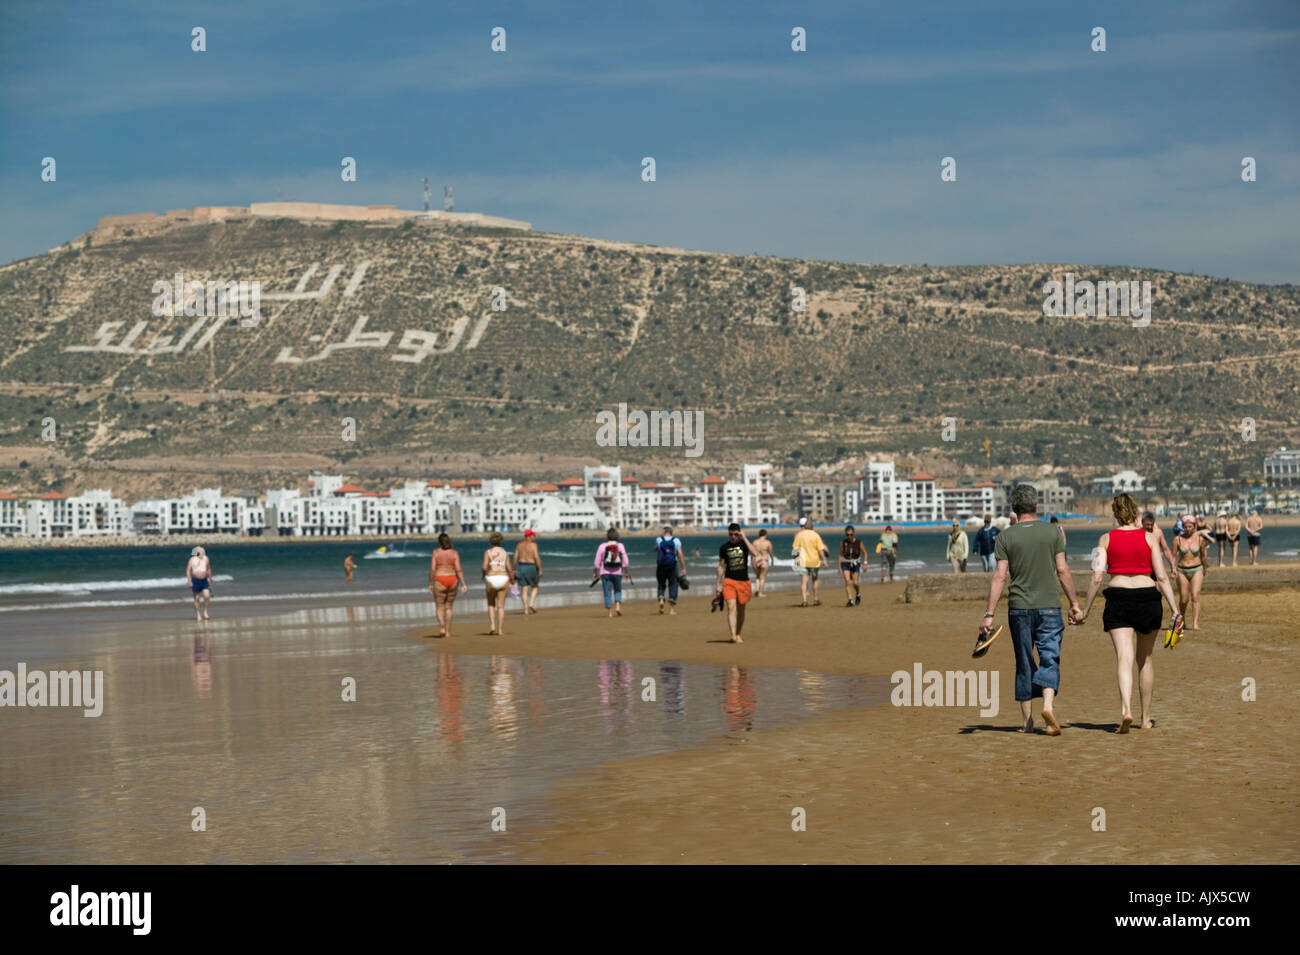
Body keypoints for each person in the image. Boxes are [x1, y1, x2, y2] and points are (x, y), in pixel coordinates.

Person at [979, 484, 1081, 736]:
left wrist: (989, 614)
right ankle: (1048, 706)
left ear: (1014, 509)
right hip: (1049, 607)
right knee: (1050, 656)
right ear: (1036, 506)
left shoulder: (1005, 537)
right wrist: (1074, 604)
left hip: (1019, 609)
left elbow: (999, 577)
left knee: (1024, 662)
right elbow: (1063, 570)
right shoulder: (1053, 532)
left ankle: (1027, 722)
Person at [1079, 494, 1182, 733]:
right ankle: (1145, 719)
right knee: (1144, 660)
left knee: (1124, 658)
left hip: (1119, 598)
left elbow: (1097, 577)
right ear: (1135, 513)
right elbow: (1163, 576)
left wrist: (1085, 610)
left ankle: (1126, 709)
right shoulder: (1149, 538)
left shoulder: (1105, 538)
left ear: (1115, 513)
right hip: (1147, 598)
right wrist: (1175, 611)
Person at [715, 523, 754, 643]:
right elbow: (721, 566)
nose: (733, 537)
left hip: (743, 581)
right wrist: (718, 584)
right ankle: (732, 635)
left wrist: (745, 538)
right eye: (730, 534)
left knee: (741, 610)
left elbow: (755, 553)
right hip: (729, 581)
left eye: (735, 534)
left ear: (739, 533)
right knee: (731, 607)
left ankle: (738, 633)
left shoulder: (744, 545)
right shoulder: (724, 547)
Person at [429, 533, 468, 638]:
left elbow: (433, 569)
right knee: (449, 607)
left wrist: (430, 583)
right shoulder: (454, 553)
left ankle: (441, 625)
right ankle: (447, 632)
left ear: (439, 542)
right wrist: (463, 584)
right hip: (452, 579)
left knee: (439, 606)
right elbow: (458, 569)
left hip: (439, 579)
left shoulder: (436, 553)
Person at [1173, 519, 1208, 630]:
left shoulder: (1200, 539)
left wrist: (1205, 568)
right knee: (1184, 599)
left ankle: (1195, 623)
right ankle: (1182, 620)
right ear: (1183, 527)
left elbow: (1203, 556)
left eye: (1190, 526)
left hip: (1197, 569)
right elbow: (1172, 556)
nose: (1188, 529)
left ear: (1194, 526)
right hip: (1182, 570)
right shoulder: (1177, 539)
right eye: (1186, 527)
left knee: (1195, 596)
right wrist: (1172, 569)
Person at [593, 528, 631, 617]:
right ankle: (617, 606)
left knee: (607, 592)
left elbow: (596, 562)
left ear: (607, 536)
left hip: (605, 573)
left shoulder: (602, 546)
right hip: (617, 572)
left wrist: (595, 571)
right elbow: (625, 560)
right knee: (618, 590)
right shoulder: (620, 546)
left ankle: (610, 612)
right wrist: (626, 571)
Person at [792, 518, 830, 606]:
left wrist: (795, 560)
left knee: (804, 581)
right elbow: (820, 550)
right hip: (814, 562)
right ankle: (815, 599)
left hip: (802, 561)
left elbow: (795, 549)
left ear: (804, 526)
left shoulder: (799, 535)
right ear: (812, 527)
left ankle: (804, 600)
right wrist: (824, 560)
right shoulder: (816, 535)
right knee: (815, 580)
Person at [482, 532, 514, 636]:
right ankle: (500, 630)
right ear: (501, 541)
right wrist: (512, 580)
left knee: (491, 604)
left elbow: (484, 567)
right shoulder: (504, 552)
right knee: (501, 606)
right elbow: (510, 568)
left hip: (492, 578)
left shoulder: (488, 552)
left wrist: (483, 574)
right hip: (503, 578)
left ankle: (492, 626)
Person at [653, 525, 685, 615]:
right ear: (671, 532)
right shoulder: (676, 540)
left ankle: (661, 599)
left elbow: (657, 549)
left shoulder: (659, 540)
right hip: (672, 566)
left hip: (661, 566)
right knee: (673, 585)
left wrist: (655, 548)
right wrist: (683, 568)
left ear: (664, 532)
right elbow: (680, 554)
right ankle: (671, 609)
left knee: (661, 584)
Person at [513, 529, 543, 614]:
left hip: (521, 566)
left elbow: (515, 557)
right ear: (528, 536)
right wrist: (540, 569)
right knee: (535, 586)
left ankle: (526, 609)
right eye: (533, 535)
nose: (534, 537)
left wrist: (514, 568)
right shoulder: (533, 545)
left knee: (524, 589)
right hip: (531, 566)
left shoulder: (519, 545)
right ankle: (531, 603)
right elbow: (536, 557)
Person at [839, 525, 866, 605]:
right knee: (847, 582)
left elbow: (865, 553)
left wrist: (865, 563)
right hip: (845, 563)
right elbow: (840, 555)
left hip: (855, 564)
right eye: (847, 535)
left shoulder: (858, 542)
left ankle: (858, 593)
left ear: (854, 533)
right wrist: (839, 567)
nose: (849, 536)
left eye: (851, 534)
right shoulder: (843, 543)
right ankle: (850, 600)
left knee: (855, 583)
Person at [186, 546, 213, 622]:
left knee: (207, 596)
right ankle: (198, 614)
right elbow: (188, 571)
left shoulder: (206, 558)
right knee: (197, 598)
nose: (202, 552)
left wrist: (210, 580)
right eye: (200, 551)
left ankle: (205, 612)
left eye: (202, 551)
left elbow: (208, 569)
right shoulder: (192, 560)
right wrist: (189, 581)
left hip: (204, 580)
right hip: (195, 580)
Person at [750, 529, 774, 597]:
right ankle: (760, 592)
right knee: (762, 577)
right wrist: (772, 559)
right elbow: (770, 552)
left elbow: (752, 552)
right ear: (765, 535)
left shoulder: (755, 542)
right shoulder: (767, 542)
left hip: (756, 560)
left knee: (757, 576)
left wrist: (751, 561)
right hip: (764, 560)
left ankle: (757, 589)